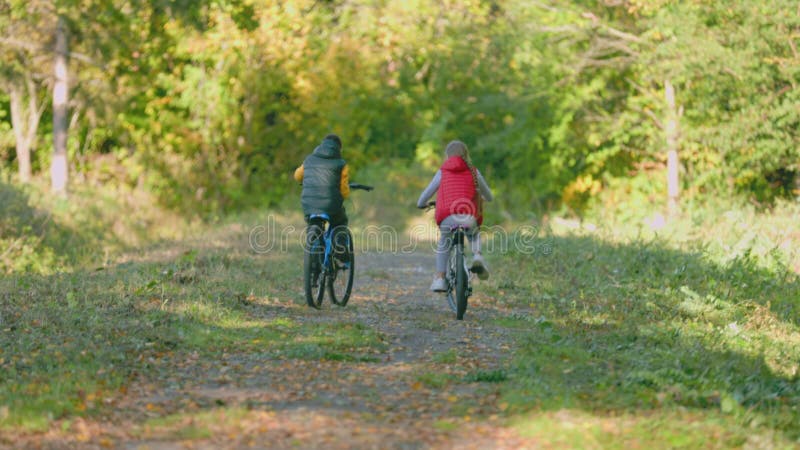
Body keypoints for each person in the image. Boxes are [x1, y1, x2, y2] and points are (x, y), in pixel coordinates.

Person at [417, 140, 493, 292]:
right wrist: (483, 198)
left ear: (447, 156)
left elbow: (423, 198)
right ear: (466, 155)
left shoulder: (442, 172)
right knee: (474, 234)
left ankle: (440, 278)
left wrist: (422, 204)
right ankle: (477, 256)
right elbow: (489, 196)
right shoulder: (474, 171)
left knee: (444, 241)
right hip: (469, 216)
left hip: (447, 216)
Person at [294, 134, 350, 259]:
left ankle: (313, 242)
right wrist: (345, 195)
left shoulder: (309, 159)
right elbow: (344, 189)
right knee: (340, 221)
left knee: (312, 222)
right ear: (339, 149)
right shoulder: (341, 164)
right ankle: (340, 247)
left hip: (309, 203)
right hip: (331, 204)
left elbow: (298, 176)